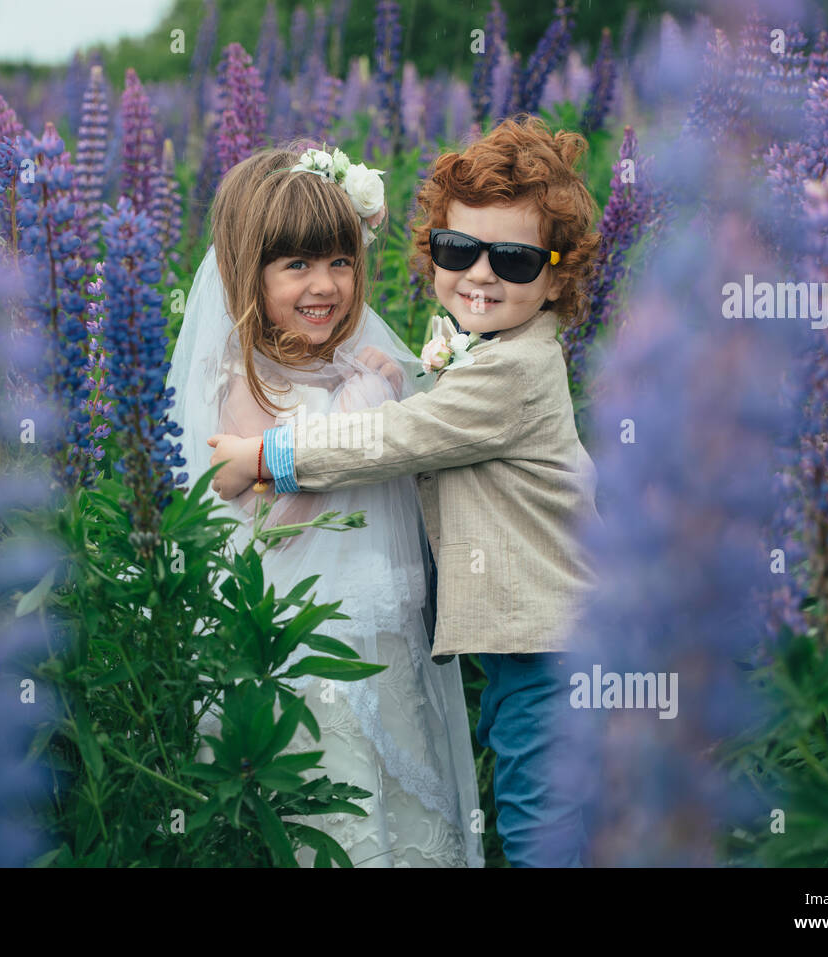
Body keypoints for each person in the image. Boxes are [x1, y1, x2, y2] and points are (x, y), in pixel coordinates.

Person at [208, 115, 602, 867]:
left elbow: (395, 439)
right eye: (460, 251)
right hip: (526, 645)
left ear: (558, 277)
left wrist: (266, 455)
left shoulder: (511, 371)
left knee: (541, 833)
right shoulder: (496, 351)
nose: (482, 274)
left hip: (555, 645)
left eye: (514, 261)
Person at [167, 142, 484, 867]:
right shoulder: (245, 381)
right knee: (322, 813)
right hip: (295, 648)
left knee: (396, 803)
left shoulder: (354, 359)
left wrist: (387, 397)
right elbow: (270, 526)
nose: (326, 285)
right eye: (298, 265)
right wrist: (354, 411)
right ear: (251, 272)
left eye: (341, 261)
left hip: (379, 638)